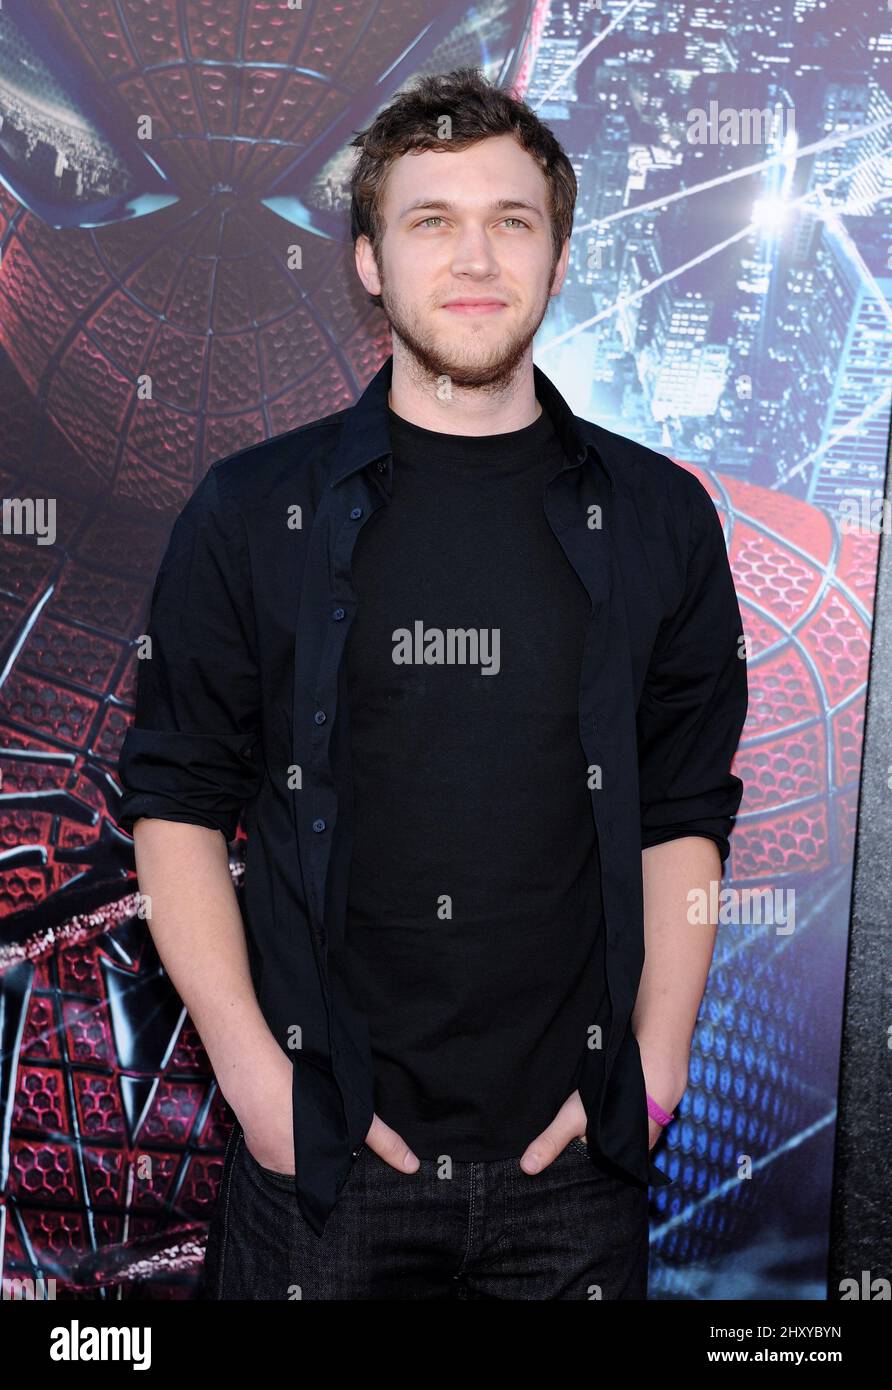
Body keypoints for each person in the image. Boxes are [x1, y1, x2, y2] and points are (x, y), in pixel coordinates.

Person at [117, 67, 748, 1300]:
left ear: (556, 258)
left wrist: (655, 1073)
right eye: (430, 221)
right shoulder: (251, 512)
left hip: (577, 1168)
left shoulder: (660, 517)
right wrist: (257, 1084)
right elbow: (176, 803)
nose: (475, 258)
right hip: (321, 1164)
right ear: (369, 262)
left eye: (511, 220)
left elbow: (682, 811)